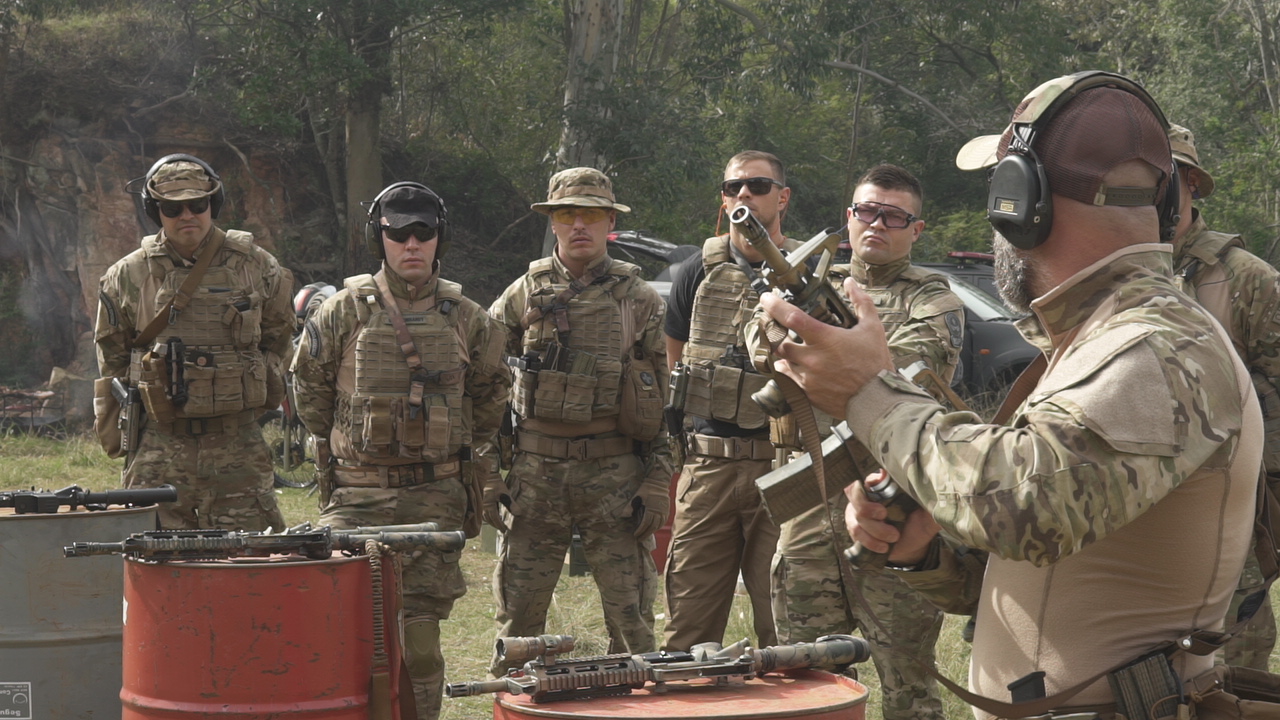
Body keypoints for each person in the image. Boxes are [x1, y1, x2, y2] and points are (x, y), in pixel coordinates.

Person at [762, 72, 1262, 718]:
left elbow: (1028, 503)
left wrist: (868, 394)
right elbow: (1044, 575)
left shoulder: (1161, 346)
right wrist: (927, 551)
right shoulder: (1098, 342)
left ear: (1020, 201)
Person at [290, 181, 510, 720]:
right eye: (398, 234)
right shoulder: (342, 312)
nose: (411, 244)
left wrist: (442, 450)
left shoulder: (469, 319)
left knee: (421, 647)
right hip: (356, 498)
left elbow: (489, 399)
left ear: (440, 238)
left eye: (423, 233)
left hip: (434, 500)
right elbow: (310, 396)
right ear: (378, 237)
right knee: (348, 637)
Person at [770, 163, 963, 720]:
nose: (876, 223)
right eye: (866, 211)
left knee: (908, 682)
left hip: (893, 511)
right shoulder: (807, 284)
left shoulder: (934, 299)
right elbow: (760, 350)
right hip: (810, 509)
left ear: (915, 229)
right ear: (847, 218)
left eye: (893, 215)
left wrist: (814, 351)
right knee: (807, 680)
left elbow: (891, 375)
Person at [484, 167, 672, 675]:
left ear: (609, 221)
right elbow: (482, 389)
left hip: (615, 479)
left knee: (632, 624)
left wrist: (657, 481)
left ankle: (637, 709)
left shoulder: (640, 300)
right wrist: (485, 472)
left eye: (591, 214)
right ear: (553, 221)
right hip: (535, 477)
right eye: (568, 214)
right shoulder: (523, 293)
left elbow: (660, 405)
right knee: (519, 620)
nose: (579, 225)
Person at [95, 154, 292, 531]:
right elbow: (113, 360)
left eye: (197, 204)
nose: (187, 215)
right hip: (160, 444)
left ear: (212, 204)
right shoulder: (127, 275)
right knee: (156, 564)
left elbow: (278, 338)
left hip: (238, 445)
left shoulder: (257, 266)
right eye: (172, 208)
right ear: (156, 212)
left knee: (252, 563)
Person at [660, 150, 793, 651]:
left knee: (786, 625)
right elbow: (676, 365)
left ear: (782, 197)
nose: (744, 195)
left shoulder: (807, 275)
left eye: (758, 186)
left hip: (783, 470)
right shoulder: (695, 272)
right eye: (733, 187)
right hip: (708, 470)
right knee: (687, 628)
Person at [1167, 122, 1280, 671]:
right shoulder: (1111, 270)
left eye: (1161, 178)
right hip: (1135, 505)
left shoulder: (1245, 278)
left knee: (1236, 658)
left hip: (1229, 506)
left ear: (1190, 183)